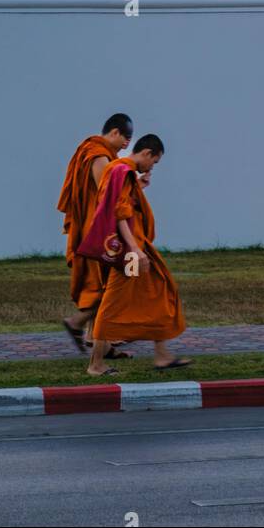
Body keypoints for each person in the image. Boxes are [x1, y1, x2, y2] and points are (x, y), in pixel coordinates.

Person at [87, 134, 190, 377]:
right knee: (113, 303)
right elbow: (119, 213)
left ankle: (162, 355)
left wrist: (139, 187)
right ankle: (95, 364)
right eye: (154, 161)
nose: (152, 166)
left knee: (160, 291)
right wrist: (134, 249)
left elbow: (124, 204)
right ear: (146, 153)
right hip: (129, 253)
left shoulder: (123, 172)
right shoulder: (122, 171)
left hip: (137, 248)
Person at [57, 113, 133, 351]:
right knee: (107, 284)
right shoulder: (97, 154)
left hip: (91, 226)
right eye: (126, 136)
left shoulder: (97, 152)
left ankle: (94, 335)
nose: (127, 143)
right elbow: (107, 192)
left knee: (101, 282)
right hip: (96, 230)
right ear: (114, 132)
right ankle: (77, 323)